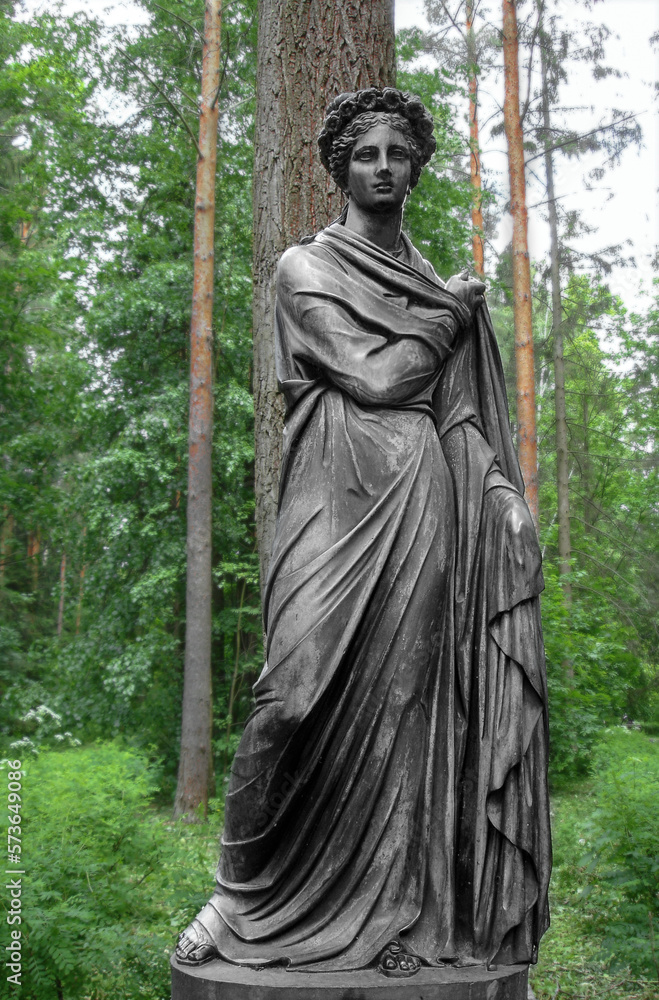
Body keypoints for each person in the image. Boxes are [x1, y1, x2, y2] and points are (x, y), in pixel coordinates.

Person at [175, 87, 551, 978]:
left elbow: (456, 413)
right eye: (365, 156)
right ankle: (237, 894)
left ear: (414, 169)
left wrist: (500, 497)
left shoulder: (425, 279)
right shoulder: (305, 269)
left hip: (421, 500)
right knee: (291, 694)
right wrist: (453, 313)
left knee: (407, 710)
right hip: (331, 497)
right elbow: (375, 375)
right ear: (341, 169)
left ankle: (394, 914)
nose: (382, 169)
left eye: (397, 155)